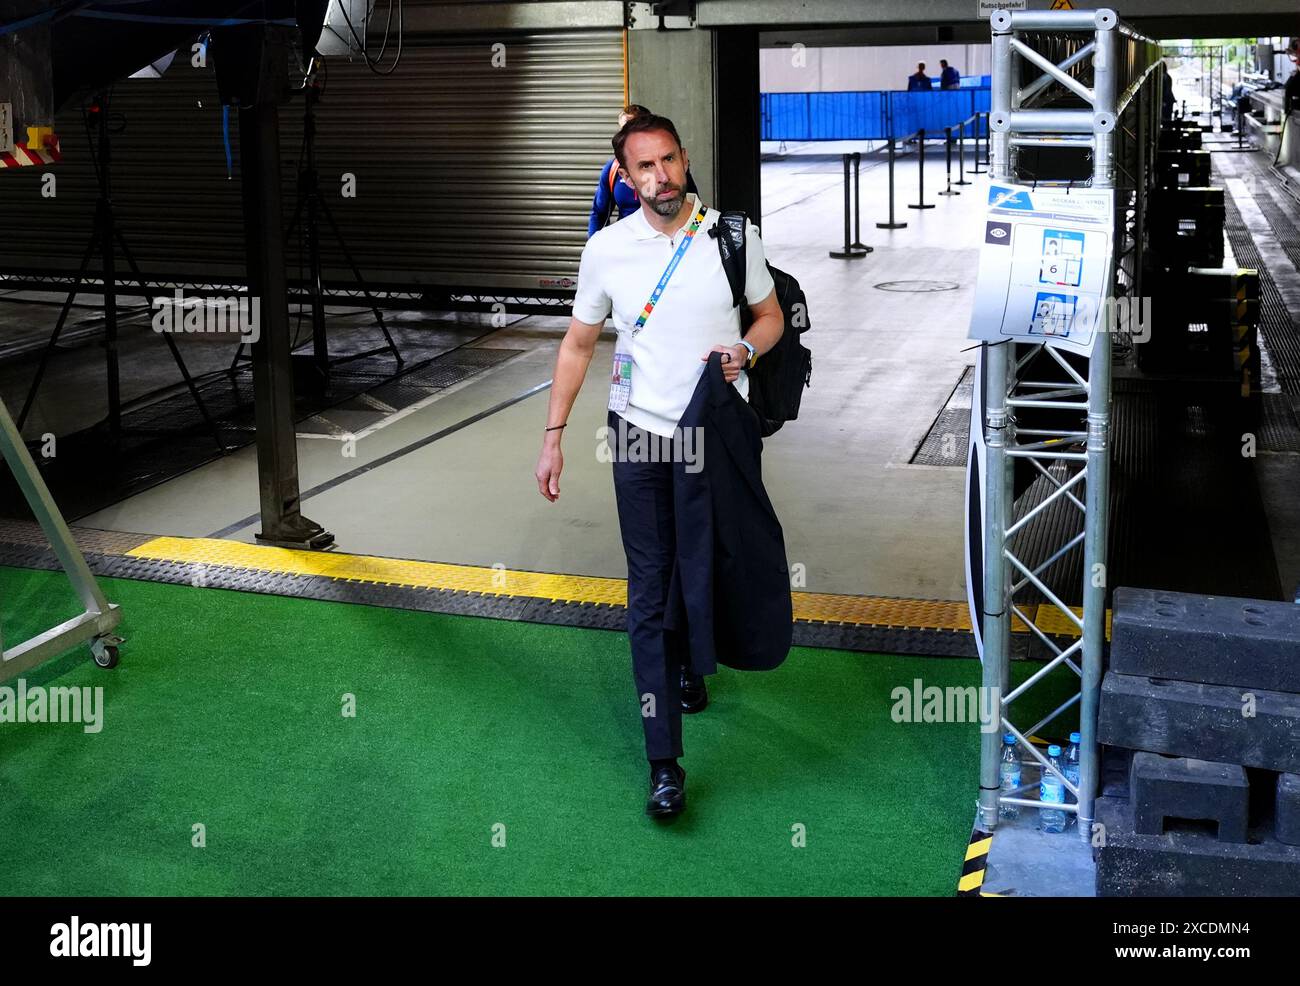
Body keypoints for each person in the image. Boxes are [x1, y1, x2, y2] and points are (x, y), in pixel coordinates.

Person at [536, 113, 784, 818]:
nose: (660, 176)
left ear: (683, 159)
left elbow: (770, 318)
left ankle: (692, 666)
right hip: (641, 434)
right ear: (625, 175)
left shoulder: (732, 237)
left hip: (716, 432)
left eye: (668, 160)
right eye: (643, 167)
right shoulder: (608, 250)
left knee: (708, 564)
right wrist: (552, 437)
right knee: (648, 587)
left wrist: (748, 351)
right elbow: (578, 346)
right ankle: (664, 762)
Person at [588, 104, 700, 237]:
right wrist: (594, 246)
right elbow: (599, 212)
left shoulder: (673, 170)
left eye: (668, 158)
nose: (663, 177)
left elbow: (693, 207)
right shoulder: (612, 170)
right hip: (628, 242)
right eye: (624, 129)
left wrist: (693, 240)